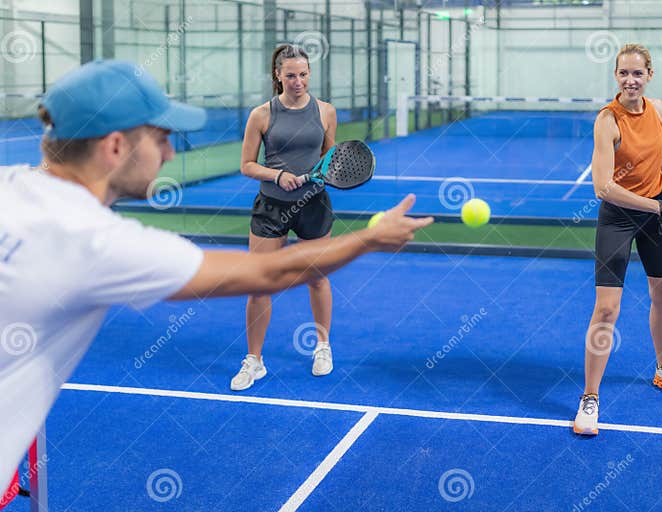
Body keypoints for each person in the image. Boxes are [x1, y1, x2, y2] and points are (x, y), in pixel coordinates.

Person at [0, 59, 432, 492]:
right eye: (162, 138)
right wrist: (370, 237)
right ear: (115, 146)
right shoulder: (99, 244)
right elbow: (265, 272)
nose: (170, 153)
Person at [573, 44, 662, 436]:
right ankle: (590, 398)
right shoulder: (607, 120)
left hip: (654, 212)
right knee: (606, 310)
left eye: (637, 74)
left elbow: (649, 157)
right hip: (620, 218)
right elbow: (603, 186)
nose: (630, 80)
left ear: (649, 75)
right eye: (623, 73)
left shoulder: (658, 110)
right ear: (616, 76)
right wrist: (657, 208)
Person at [231, 44, 339, 391]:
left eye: (304, 74)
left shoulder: (326, 112)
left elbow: (328, 159)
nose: (298, 81)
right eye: (290, 75)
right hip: (271, 206)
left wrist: (317, 175)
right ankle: (254, 360)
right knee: (259, 283)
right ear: (277, 75)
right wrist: (277, 176)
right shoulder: (261, 114)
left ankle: (322, 346)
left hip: (313, 204)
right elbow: (246, 165)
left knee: (317, 278)